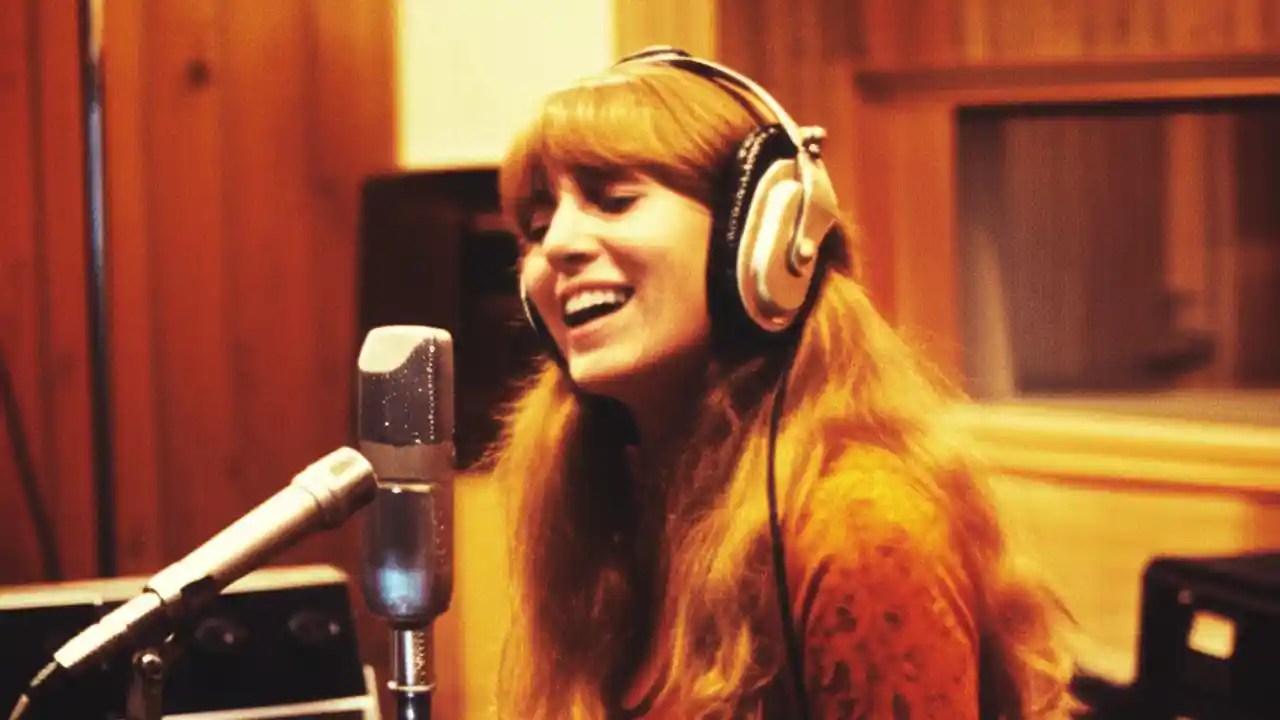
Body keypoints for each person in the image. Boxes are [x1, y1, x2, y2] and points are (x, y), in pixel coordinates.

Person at [483, 47, 1076, 719]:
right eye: (536, 229)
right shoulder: (620, 503)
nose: (558, 245)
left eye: (614, 201)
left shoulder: (860, 530)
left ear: (765, 238)